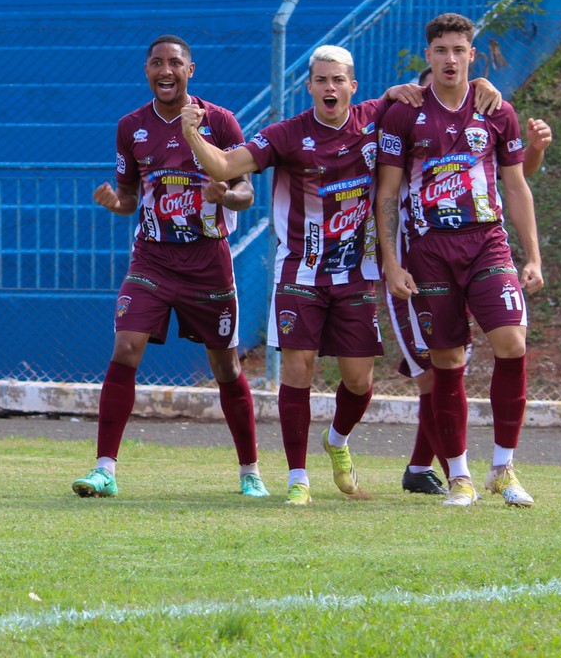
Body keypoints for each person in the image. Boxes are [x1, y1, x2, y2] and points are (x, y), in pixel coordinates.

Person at [180, 45, 499, 505]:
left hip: (356, 273)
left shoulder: (379, 116)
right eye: (321, 80)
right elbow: (227, 166)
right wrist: (194, 137)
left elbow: (447, 94)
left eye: (338, 80)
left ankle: (337, 439)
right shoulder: (287, 134)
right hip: (300, 273)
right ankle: (297, 479)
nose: (330, 88)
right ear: (309, 87)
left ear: (353, 85)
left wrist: (485, 86)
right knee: (298, 369)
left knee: (358, 382)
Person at [72, 35, 268, 499]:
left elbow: (246, 192)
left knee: (224, 365)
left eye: (174, 63)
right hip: (152, 261)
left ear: (190, 70)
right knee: (125, 348)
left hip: (207, 263)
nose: (166, 71)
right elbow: (130, 198)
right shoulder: (131, 127)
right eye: (157, 63)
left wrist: (225, 194)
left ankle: (250, 472)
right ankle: (105, 470)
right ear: (146, 71)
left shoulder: (218, 121)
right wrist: (113, 201)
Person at [376, 12, 544, 508]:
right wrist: (391, 261)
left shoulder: (497, 110)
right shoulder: (404, 113)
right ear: (427, 57)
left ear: (473, 54)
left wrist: (532, 255)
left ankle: (504, 468)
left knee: (512, 343)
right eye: (440, 51)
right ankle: (459, 477)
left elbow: (515, 184)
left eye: (459, 50)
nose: (450, 59)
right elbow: (386, 193)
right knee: (448, 361)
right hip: (428, 251)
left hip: (486, 242)